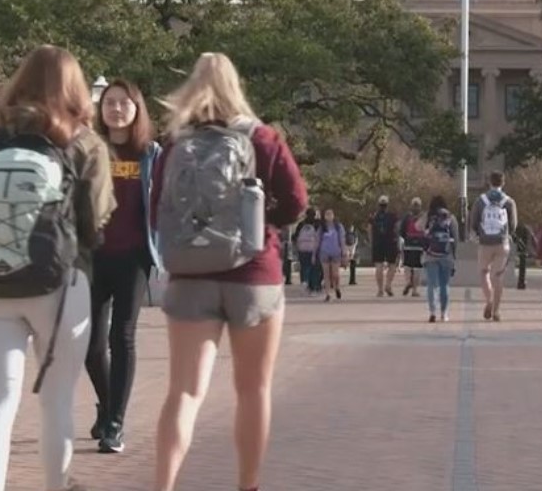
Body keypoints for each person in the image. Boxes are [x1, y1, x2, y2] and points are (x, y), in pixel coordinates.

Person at [148, 52, 308, 491]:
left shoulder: (176, 144)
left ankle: (163, 485)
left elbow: (155, 209)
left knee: (184, 391)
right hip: (254, 273)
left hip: (190, 280)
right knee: (253, 389)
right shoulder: (263, 138)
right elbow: (296, 202)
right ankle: (248, 484)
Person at [0, 45, 115, 491]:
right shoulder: (84, 142)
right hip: (60, 284)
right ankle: (56, 485)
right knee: (57, 401)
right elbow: (95, 220)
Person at [86, 77, 160, 454]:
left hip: (133, 257)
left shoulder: (150, 153)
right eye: (109, 102)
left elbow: (163, 203)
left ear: (136, 109)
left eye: (123, 103)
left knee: (123, 336)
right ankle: (106, 403)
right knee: (91, 343)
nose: (115, 109)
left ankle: (115, 423)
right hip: (94, 256)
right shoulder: (91, 150)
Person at [468, 172, 517, 321]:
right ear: (503, 183)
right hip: (502, 243)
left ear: (489, 182)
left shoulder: (480, 200)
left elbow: (473, 222)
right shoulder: (509, 201)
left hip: (485, 242)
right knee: (498, 276)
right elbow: (513, 224)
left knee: (484, 272)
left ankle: (489, 299)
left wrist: (476, 234)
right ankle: (496, 310)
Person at [421, 195, 457, 323]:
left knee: (432, 284)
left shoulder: (428, 217)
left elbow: (419, 230)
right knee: (444, 285)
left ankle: (432, 312)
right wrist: (454, 256)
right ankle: (444, 313)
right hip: (446, 255)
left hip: (430, 255)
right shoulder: (450, 218)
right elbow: (455, 239)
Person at [369, 195, 399, 297]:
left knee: (379, 266)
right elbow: (396, 229)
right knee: (392, 264)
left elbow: (369, 229)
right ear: (387, 205)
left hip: (378, 242)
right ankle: (388, 284)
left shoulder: (373, 216)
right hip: (390, 242)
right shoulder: (392, 216)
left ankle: (380, 289)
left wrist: (371, 241)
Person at [398, 196, 426, 297]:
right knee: (418, 268)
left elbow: (401, 231)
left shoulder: (407, 217)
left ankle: (408, 282)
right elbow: (426, 231)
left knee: (408, 267)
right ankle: (415, 290)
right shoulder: (423, 217)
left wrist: (406, 239)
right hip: (419, 246)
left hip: (408, 245)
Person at [317, 208, 347, 301]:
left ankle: (337, 287)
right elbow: (317, 241)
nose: (329, 216)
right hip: (324, 252)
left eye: (330, 214)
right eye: (327, 214)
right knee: (326, 274)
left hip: (336, 253)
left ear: (333, 216)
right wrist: (314, 253)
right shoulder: (322, 227)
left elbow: (342, 240)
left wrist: (344, 252)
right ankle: (327, 294)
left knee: (335, 274)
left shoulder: (338, 227)